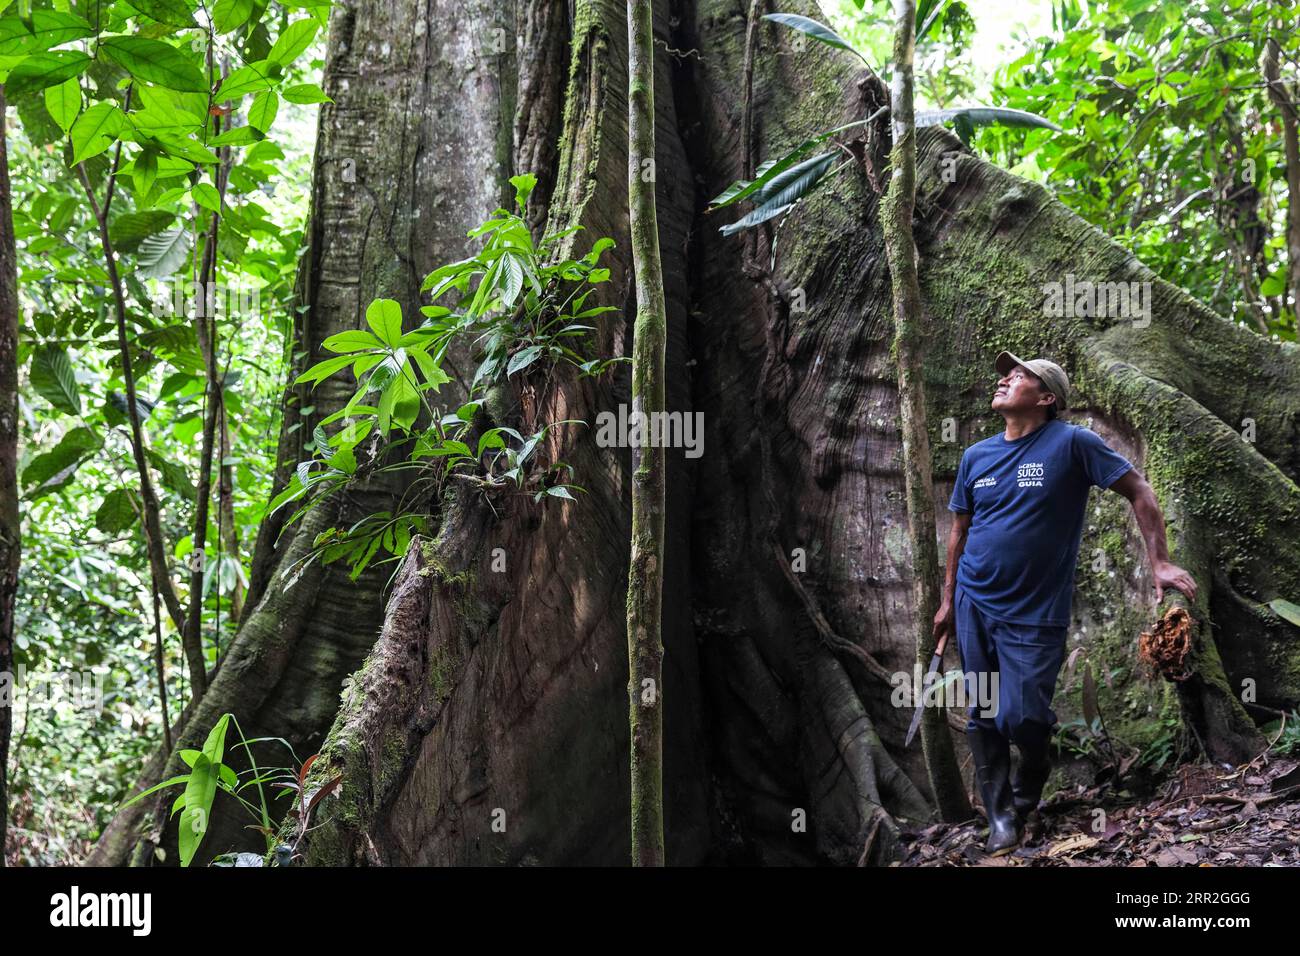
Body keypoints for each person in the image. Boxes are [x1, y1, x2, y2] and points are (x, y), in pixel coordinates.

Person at [936, 350, 1198, 856]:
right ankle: (1000, 818)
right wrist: (947, 602)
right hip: (973, 602)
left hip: (1035, 610)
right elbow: (959, 532)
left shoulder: (1072, 442)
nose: (1007, 379)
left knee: (1024, 716)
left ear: (1048, 397)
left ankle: (1027, 787)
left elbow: (1139, 490)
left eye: (1021, 375)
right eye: (1006, 374)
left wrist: (1160, 562)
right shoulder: (976, 456)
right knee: (984, 713)